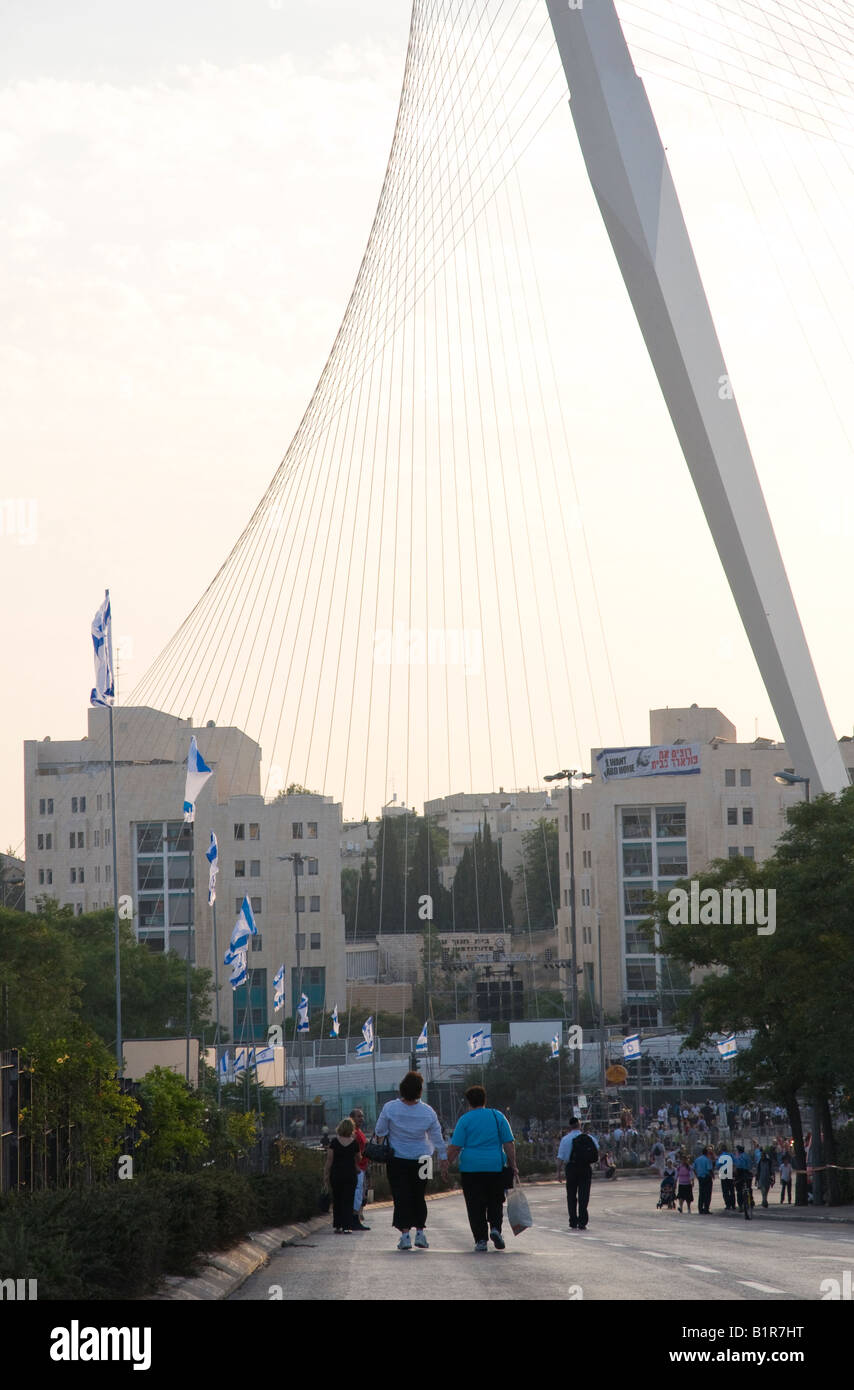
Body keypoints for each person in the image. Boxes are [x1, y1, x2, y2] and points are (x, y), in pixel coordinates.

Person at [375, 1071, 449, 1250]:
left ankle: (405, 1235)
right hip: (423, 1159)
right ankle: (421, 1233)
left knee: (401, 1197)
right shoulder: (428, 1111)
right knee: (419, 1195)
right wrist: (444, 1158)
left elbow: (380, 1131)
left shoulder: (390, 1108)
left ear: (402, 1088)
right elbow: (437, 1137)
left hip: (397, 1159)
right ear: (419, 1090)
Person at [447, 1084, 518, 1252]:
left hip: (471, 1169)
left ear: (468, 1102)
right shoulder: (497, 1116)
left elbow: (455, 1146)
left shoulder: (465, 1120)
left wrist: (446, 1164)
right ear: (485, 1100)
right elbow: (509, 1143)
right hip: (495, 1167)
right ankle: (495, 1229)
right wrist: (513, 1164)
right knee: (495, 1200)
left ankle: (481, 1239)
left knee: (474, 1204)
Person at [556, 1118, 599, 1230]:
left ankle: (573, 1220)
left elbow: (560, 1158)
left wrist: (559, 1173)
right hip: (585, 1168)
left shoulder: (565, 1139)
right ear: (580, 1125)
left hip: (571, 1168)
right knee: (584, 1195)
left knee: (571, 1195)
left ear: (570, 1127)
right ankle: (582, 1221)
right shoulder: (589, 1138)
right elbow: (596, 1151)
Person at [323, 1118, 360, 1234]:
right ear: (351, 1129)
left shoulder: (334, 1142)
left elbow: (329, 1160)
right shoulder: (354, 1143)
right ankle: (347, 1226)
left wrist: (326, 1174)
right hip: (350, 1175)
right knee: (348, 1200)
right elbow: (358, 1158)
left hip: (336, 1175)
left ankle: (338, 1225)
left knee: (337, 1199)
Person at [349, 1107, 370, 1231]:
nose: (361, 1119)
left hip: (362, 1166)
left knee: (360, 1195)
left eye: (362, 1116)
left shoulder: (359, 1131)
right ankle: (354, 1219)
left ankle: (356, 1217)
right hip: (358, 1168)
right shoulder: (353, 1133)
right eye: (359, 1116)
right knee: (357, 1194)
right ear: (352, 1118)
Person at [693, 1147, 714, 1214]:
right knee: (707, 1194)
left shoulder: (697, 1159)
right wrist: (712, 1175)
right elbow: (709, 1169)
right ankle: (706, 1209)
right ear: (707, 1153)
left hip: (700, 1178)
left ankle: (700, 1208)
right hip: (707, 1177)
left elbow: (693, 1168)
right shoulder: (707, 1160)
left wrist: (697, 1175)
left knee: (701, 1193)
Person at [716, 1144, 736, 1210]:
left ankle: (728, 1205)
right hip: (730, 1172)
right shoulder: (731, 1155)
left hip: (724, 1173)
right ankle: (733, 1204)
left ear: (721, 1150)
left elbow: (718, 1165)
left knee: (725, 1190)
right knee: (731, 1189)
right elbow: (735, 1163)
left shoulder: (721, 1156)